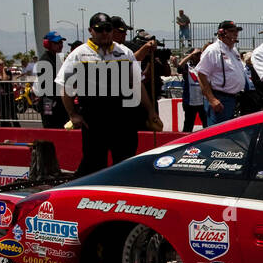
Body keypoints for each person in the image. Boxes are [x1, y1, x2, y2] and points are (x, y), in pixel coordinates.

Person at [55, 13, 160, 176]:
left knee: (126, 163)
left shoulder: (125, 52)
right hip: (94, 120)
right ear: (91, 31)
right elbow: (64, 86)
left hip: (123, 119)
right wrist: (73, 115)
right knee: (94, 164)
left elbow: (137, 84)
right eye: (99, 29)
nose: (104, 33)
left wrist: (150, 110)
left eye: (108, 29)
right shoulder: (79, 54)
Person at [196, 20, 248, 124]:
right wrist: (212, 99)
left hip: (234, 99)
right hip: (220, 99)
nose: (236, 34)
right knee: (218, 135)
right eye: (232, 31)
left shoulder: (233, 51)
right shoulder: (213, 50)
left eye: (236, 31)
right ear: (222, 33)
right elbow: (201, 74)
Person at [34, 31, 69, 128]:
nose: (60, 45)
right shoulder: (45, 61)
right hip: (49, 102)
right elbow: (47, 87)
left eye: (61, 42)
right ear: (48, 44)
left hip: (59, 102)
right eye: (57, 43)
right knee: (51, 129)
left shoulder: (57, 59)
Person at [176, 49, 207, 131]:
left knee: (207, 124)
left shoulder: (203, 66)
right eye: (196, 55)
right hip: (190, 102)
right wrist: (191, 55)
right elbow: (179, 67)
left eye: (199, 55)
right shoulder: (187, 67)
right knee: (188, 126)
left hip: (203, 101)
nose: (198, 57)